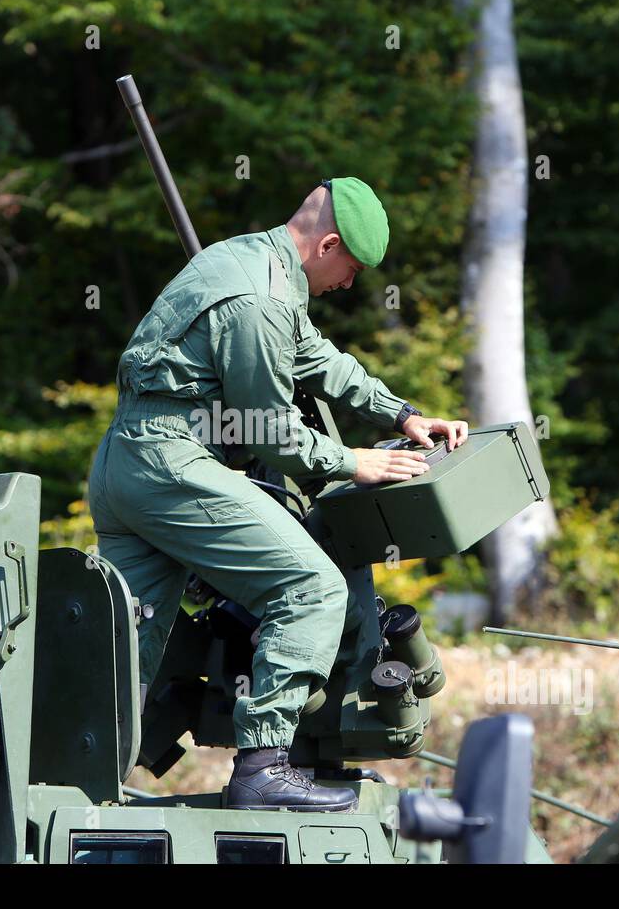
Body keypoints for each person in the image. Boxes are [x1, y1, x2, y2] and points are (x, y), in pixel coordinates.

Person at [88, 177, 468, 811]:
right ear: (327, 244)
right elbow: (272, 432)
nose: (349, 284)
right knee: (311, 587)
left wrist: (401, 414)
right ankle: (263, 767)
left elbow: (316, 358)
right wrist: (352, 462)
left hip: (126, 464)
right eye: (350, 268)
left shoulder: (247, 258)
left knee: (130, 644)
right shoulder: (259, 300)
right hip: (170, 461)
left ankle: (71, 778)